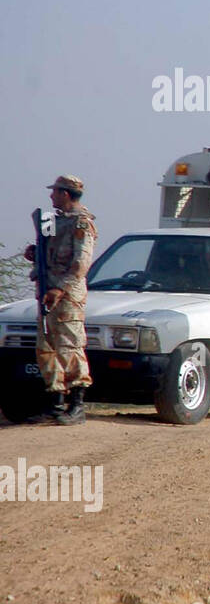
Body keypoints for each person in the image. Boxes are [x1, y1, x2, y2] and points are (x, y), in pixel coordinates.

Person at [23, 175, 97, 425]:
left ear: (66, 194)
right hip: (46, 291)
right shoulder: (52, 222)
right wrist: (36, 254)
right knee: (47, 348)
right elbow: (48, 254)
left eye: (55, 192)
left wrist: (60, 290)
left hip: (66, 298)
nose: (51, 196)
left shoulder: (82, 223)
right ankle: (55, 402)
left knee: (70, 346)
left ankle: (76, 405)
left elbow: (80, 265)